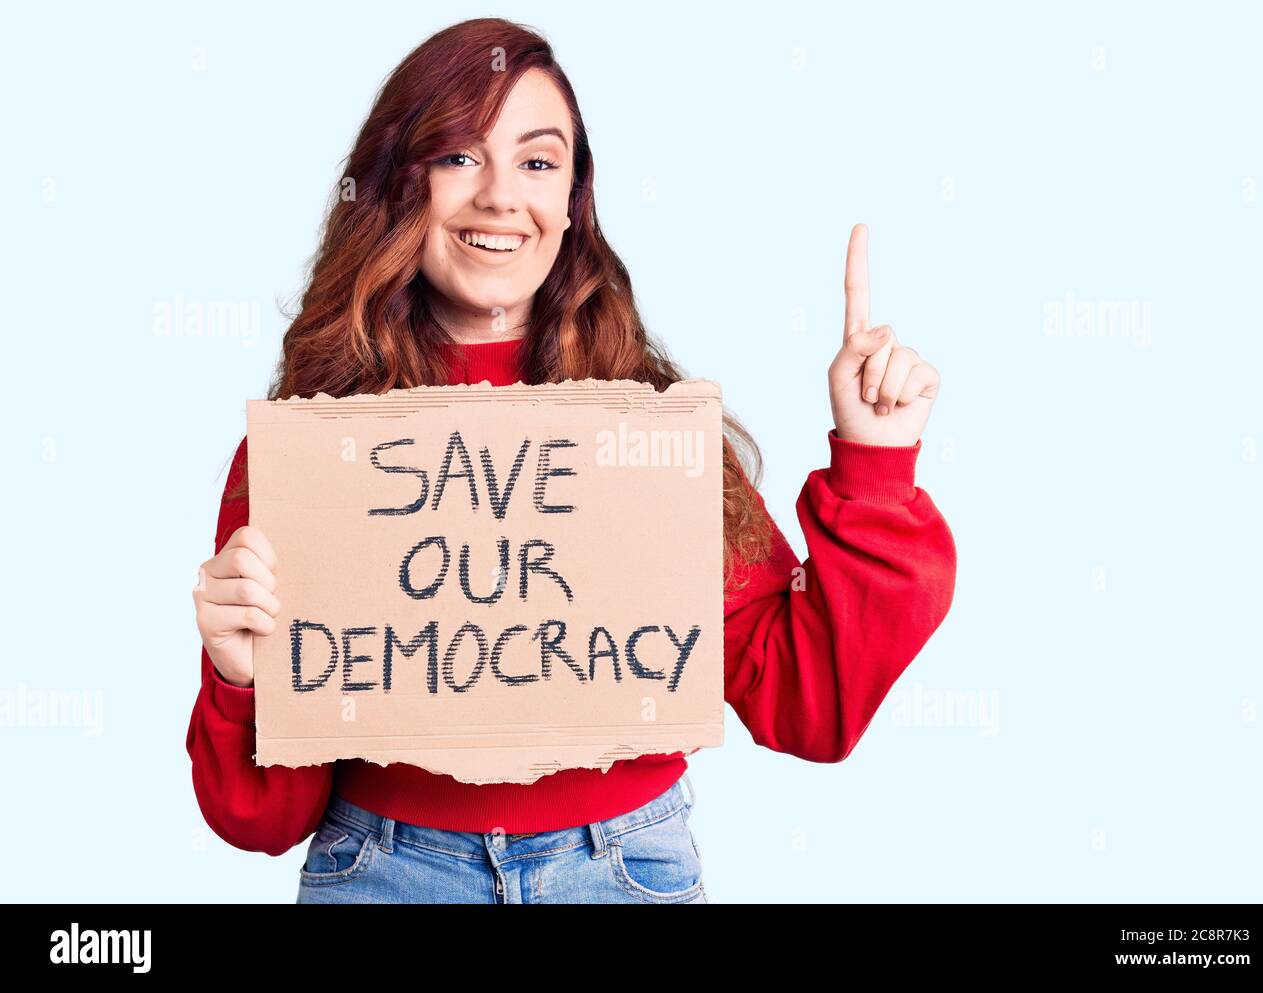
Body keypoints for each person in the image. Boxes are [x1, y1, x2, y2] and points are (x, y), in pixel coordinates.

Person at [186, 17, 957, 904]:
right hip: (383, 870)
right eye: (459, 157)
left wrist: (876, 463)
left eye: (538, 161)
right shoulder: (311, 450)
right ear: (403, 184)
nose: (500, 197)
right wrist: (241, 677)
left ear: (572, 200)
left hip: (622, 869)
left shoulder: (649, 443)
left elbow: (810, 699)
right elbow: (259, 820)